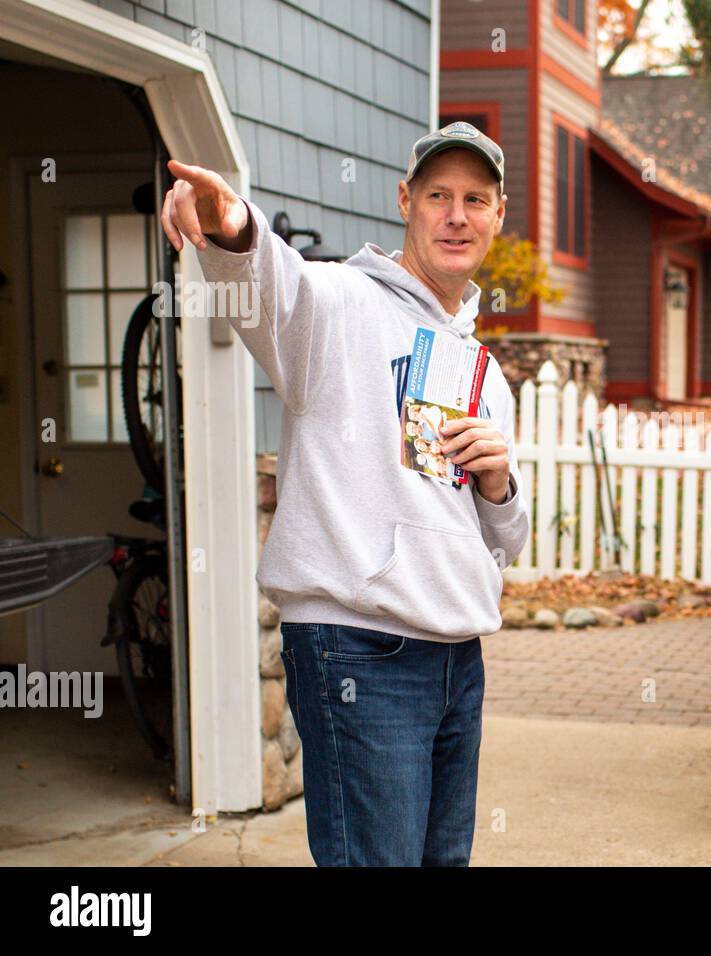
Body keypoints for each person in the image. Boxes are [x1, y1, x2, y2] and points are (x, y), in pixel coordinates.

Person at [161, 121, 530, 866]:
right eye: (437, 196)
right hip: (362, 653)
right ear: (405, 201)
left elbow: (504, 542)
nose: (456, 215)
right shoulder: (341, 306)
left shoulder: (484, 371)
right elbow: (273, 290)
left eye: (475, 199)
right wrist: (235, 226)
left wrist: (501, 485)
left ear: (497, 215)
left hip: (458, 658)